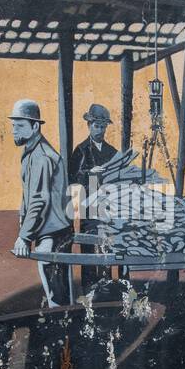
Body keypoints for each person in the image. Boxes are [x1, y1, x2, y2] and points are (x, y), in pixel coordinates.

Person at [9, 99, 73, 308]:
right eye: (13, 125)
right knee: (53, 285)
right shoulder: (31, 152)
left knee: (55, 291)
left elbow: (39, 199)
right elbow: (28, 194)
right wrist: (23, 220)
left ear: (35, 126)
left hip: (54, 232)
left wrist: (24, 236)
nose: (14, 130)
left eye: (20, 125)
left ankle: (61, 320)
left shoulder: (42, 156)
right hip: (46, 229)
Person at [69, 103, 118, 286]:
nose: (100, 130)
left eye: (103, 127)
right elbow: (72, 176)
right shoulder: (81, 150)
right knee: (89, 246)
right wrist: (89, 172)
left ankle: (106, 283)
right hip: (88, 206)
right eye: (97, 126)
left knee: (108, 244)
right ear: (89, 125)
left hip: (109, 206)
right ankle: (89, 285)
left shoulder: (112, 152)